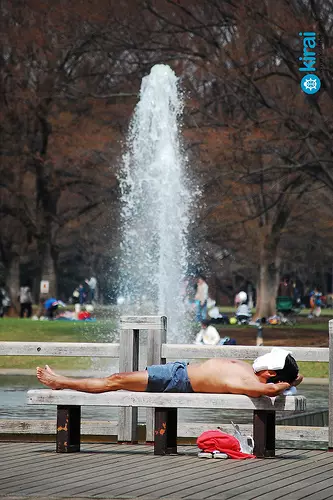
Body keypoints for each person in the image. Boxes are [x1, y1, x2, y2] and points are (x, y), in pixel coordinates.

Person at [36, 347, 303, 398]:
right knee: (116, 379)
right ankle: (62, 382)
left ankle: (60, 382)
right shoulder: (257, 374)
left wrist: (284, 385)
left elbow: (270, 390)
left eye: (269, 361)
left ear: (269, 373)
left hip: (177, 380)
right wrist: (293, 380)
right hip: (179, 370)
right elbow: (281, 382)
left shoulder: (251, 382)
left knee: (115, 381)